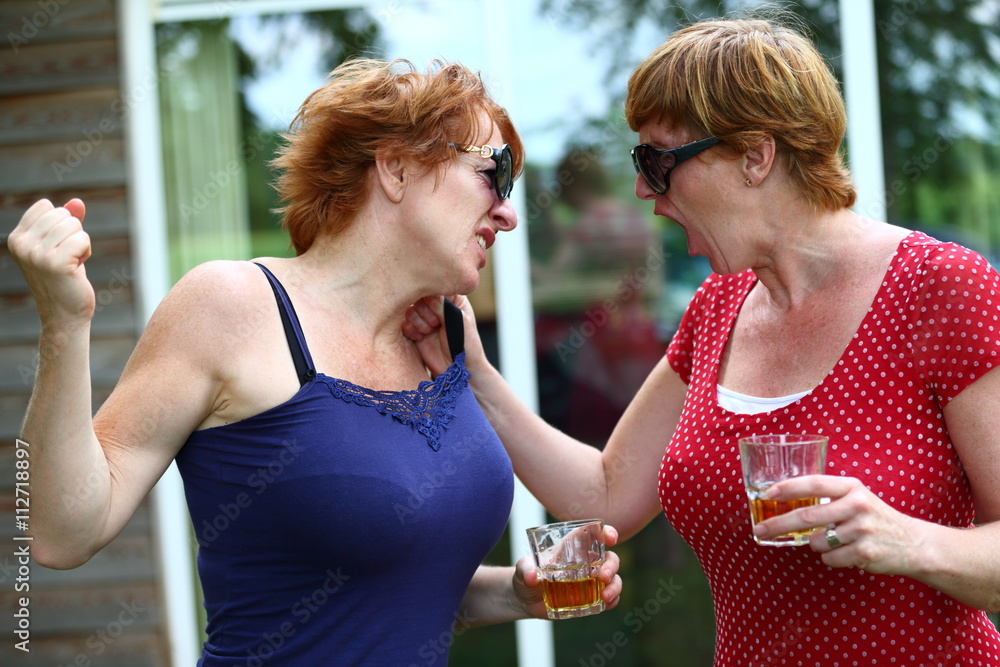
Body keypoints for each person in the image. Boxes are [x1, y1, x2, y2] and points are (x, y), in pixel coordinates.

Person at [404, 15, 1000, 666]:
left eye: (658, 161)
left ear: (755, 156)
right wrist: (475, 375)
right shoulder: (719, 304)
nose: (642, 189)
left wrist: (906, 540)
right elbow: (606, 494)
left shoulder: (940, 287)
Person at [7, 58, 621, 665]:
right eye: (494, 174)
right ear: (397, 168)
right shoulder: (231, 306)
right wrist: (64, 324)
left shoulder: (442, 333)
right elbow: (63, 533)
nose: (508, 214)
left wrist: (513, 595)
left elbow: (387, 585)